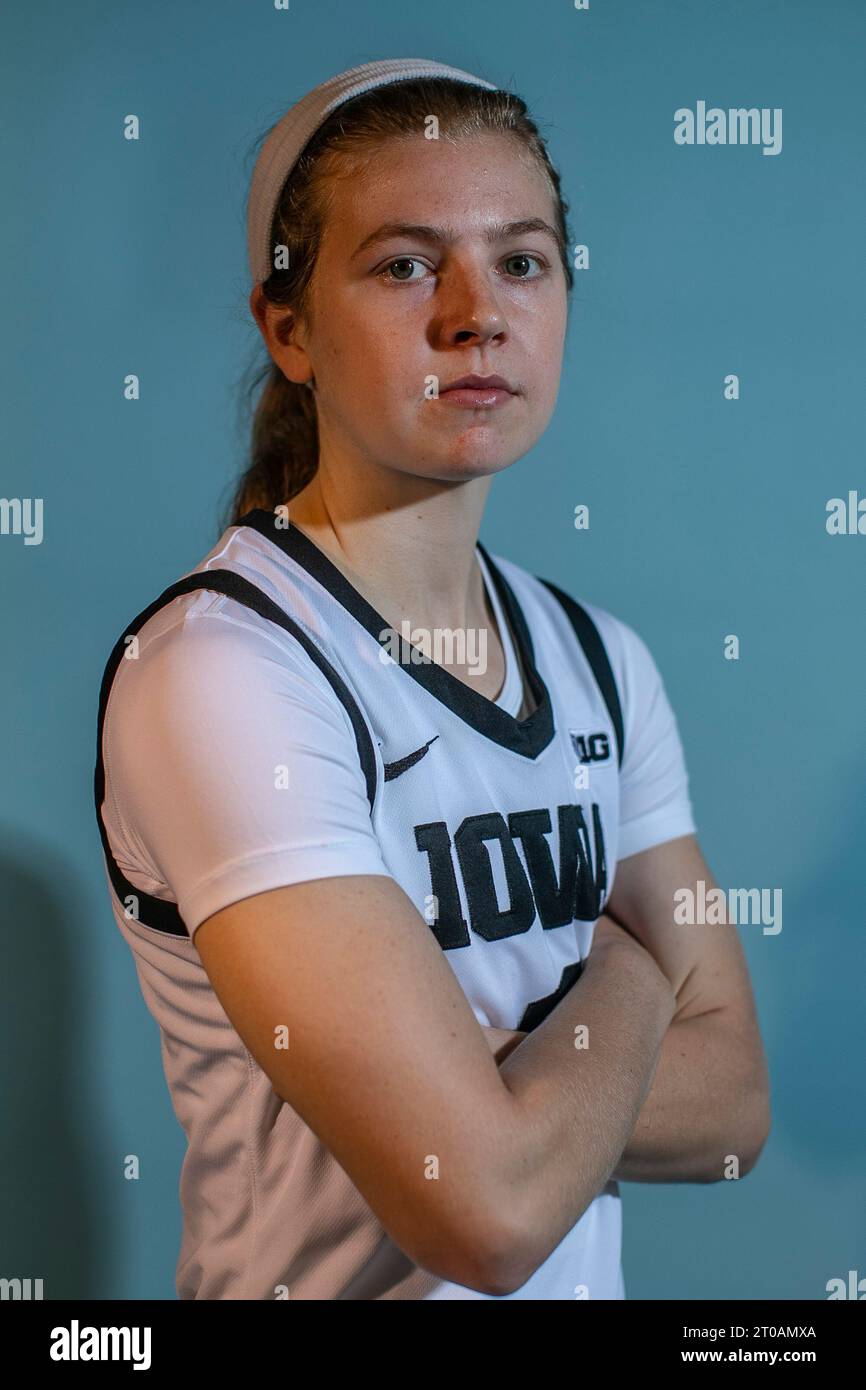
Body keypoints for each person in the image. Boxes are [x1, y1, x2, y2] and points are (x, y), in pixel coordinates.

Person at [94, 57, 770, 1301]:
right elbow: (485, 1207)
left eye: (521, 259)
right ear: (286, 329)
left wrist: (497, 1098)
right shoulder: (226, 668)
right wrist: (630, 969)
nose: (476, 313)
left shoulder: (598, 660)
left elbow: (734, 1106)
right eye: (405, 264)